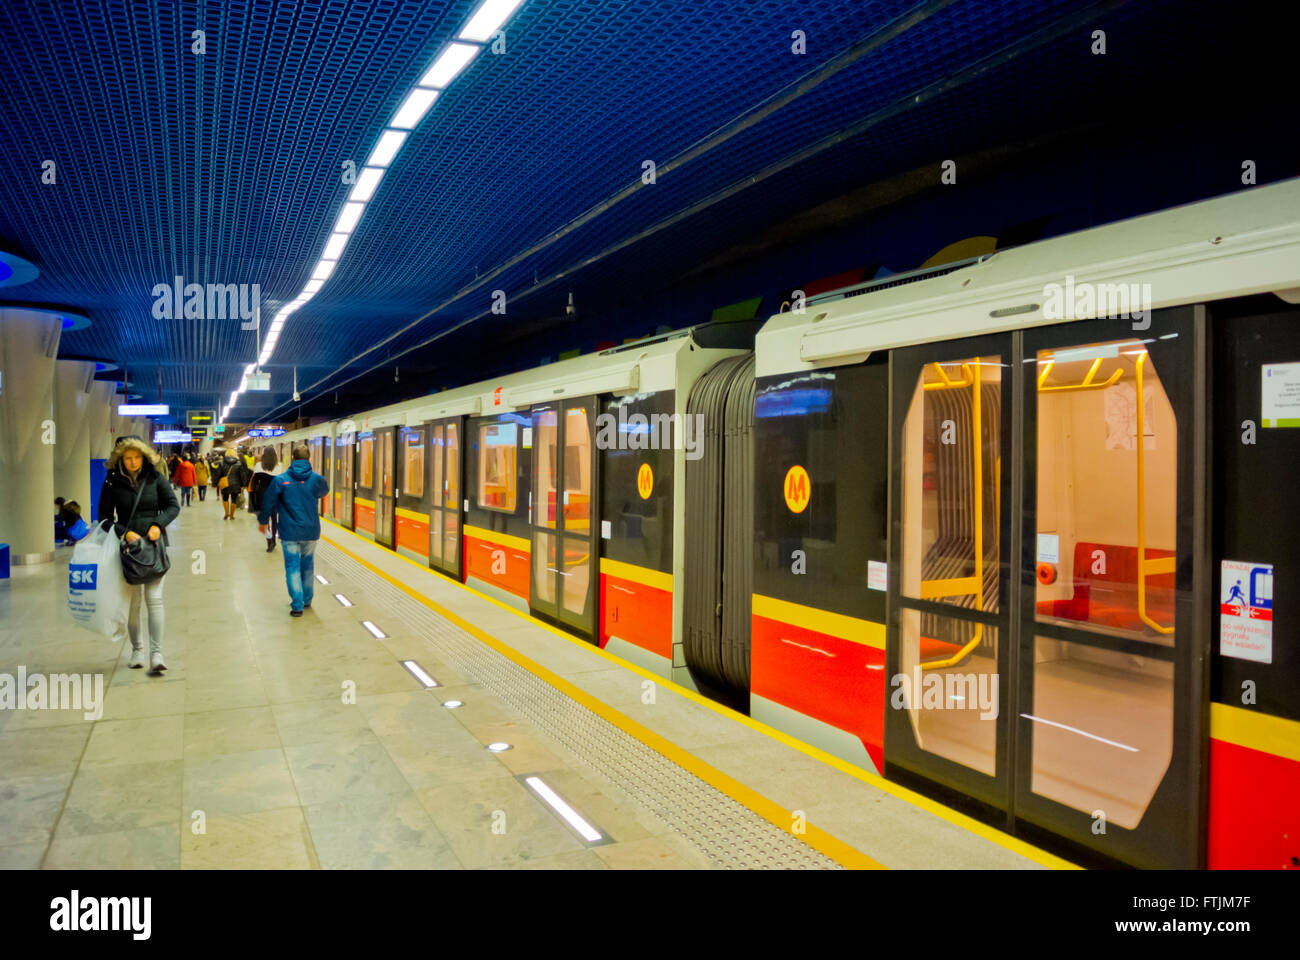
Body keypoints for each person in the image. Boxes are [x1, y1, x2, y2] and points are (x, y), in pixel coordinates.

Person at [98, 437, 179, 674]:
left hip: (154, 547)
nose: (132, 462)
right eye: (127, 458)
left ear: (143, 456)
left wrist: (158, 524)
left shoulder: (155, 478)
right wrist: (124, 532)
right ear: (120, 459)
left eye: (136, 457)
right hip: (128, 550)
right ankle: (137, 649)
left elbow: (173, 505)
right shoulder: (112, 482)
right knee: (133, 605)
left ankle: (157, 653)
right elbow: (104, 518)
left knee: (154, 599)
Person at [258, 444, 329, 617]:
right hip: (311, 530)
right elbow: (323, 492)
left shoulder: (281, 480)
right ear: (309, 458)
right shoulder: (317, 479)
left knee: (292, 567)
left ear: (292, 458)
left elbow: (268, 502)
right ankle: (307, 599)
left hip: (289, 531)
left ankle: (297, 604)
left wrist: (262, 521)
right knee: (308, 565)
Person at [248, 449, 282, 551]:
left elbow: (254, 483)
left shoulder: (259, 466)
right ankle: (274, 541)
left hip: (262, 495)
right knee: (274, 518)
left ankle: (269, 540)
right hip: (276, 494)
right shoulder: (279, 466)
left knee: (264, 519)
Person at [216, 448, 248, 520]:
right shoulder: (239, 463)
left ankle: (226, 513)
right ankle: (232, 516)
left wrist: (216, 483)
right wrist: (243, 484)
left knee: (225, 498)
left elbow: (218, 474)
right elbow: (242, 475)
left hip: (225, 483)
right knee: (234, 499)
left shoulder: (222, 463)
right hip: (236, 484)